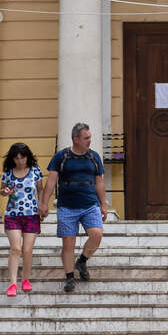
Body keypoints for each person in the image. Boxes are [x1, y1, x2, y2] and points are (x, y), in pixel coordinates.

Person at [41, 122, 108, 294]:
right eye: (86, 138)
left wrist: (104, 204)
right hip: (67, 207)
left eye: (90, 137)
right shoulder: (61, 156)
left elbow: (99, 182)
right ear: (76, 139)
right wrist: (44, 203)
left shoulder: (94, 157)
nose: (89, 141)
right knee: (68, 243)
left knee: (97, 234)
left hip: (90, 204)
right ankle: (70, 277)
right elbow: (51, 181)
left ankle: (83, 260)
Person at [1, 142, 42, 297]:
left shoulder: (36, 171)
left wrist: (43, 208)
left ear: (27, 157)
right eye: (16, 158)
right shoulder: (8, 172)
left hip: (31, 215)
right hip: (12, 215)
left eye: (22, 157)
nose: (19, 161)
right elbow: (3, 191)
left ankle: (25, 279)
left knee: (27, 250)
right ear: (13, 159)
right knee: (16, 249)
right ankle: (12, 283)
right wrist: (5, 191)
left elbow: (41, 191)